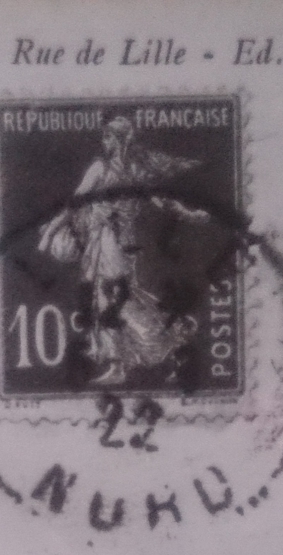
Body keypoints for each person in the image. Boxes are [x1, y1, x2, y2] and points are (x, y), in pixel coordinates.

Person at [36, 116, 206, 386]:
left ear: (119, 140)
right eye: (104, 137)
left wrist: (188, 214)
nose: (105, 142)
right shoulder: (113, 169)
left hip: (114, 240)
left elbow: (159, 199)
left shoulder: (110, 169)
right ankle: (158, 346)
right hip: (105, 240)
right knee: (110, 297)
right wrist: (50, 232)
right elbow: (75, 204)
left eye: (109, 137)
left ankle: (154, 346)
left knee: (114, 298)